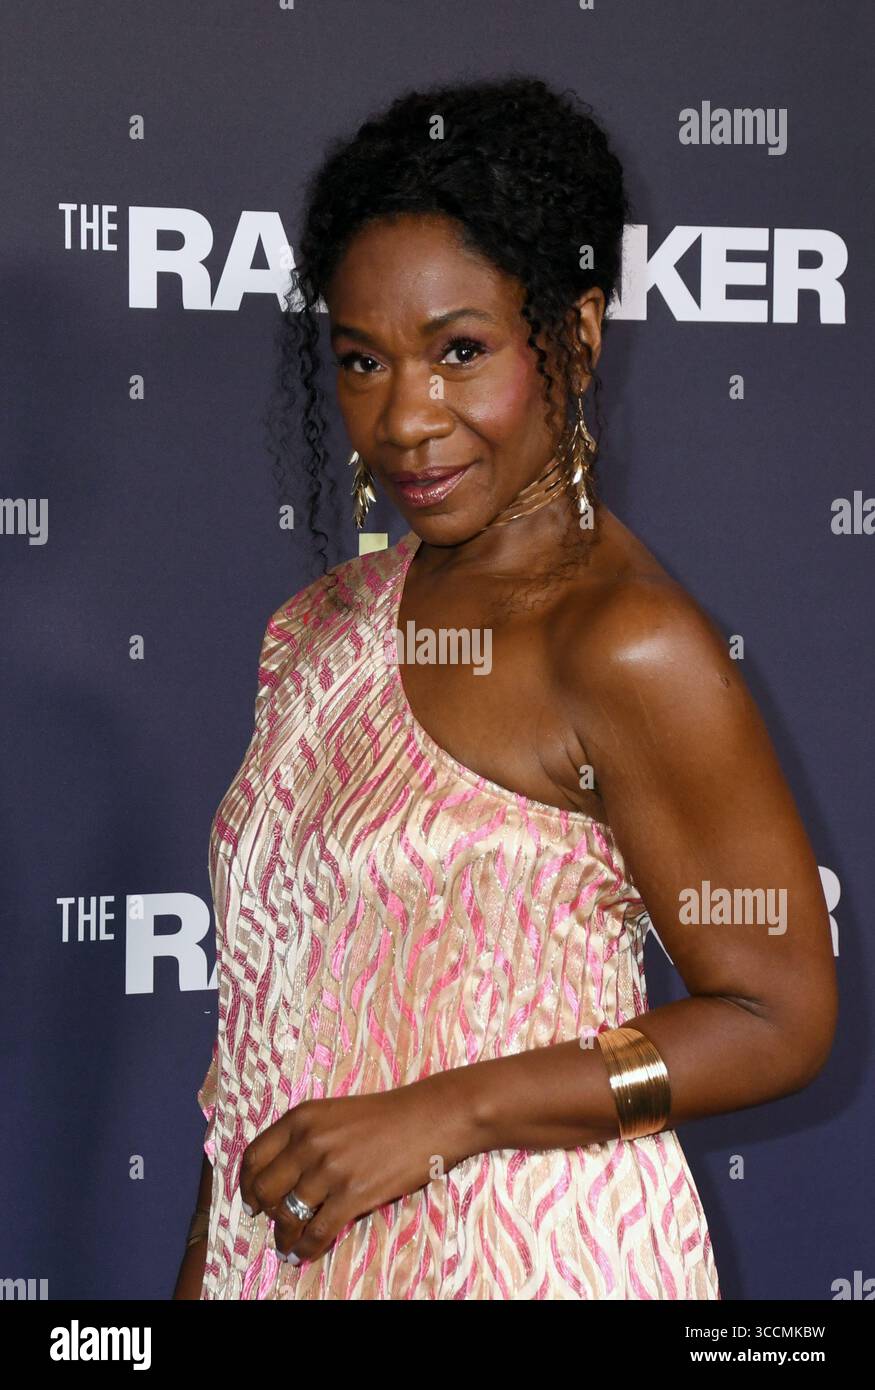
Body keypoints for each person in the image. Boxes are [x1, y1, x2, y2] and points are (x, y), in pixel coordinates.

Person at [173, 76, 837, 1301]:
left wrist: (448, 1112)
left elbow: (775, 1016)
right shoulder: (312, 631)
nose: (406, 418)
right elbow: (259, 1037)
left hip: (529, 1259)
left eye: (459, 351)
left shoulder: (621, 641)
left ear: (574, 336)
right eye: (362, 360)